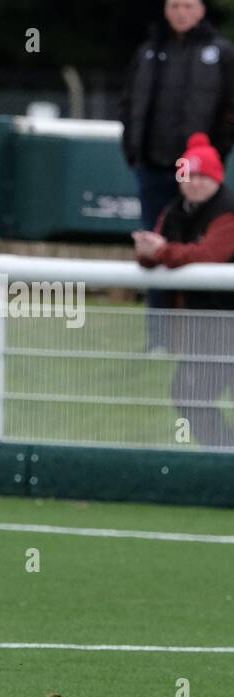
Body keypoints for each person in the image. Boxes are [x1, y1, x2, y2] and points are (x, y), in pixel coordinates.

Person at [122, 0, 234, 350]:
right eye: (174, 5)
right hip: (155, 165)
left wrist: (211, 160)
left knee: (204, 250)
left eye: (187, 5)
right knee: (155, 248)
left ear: (201, 10)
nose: (180, 12)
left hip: (198, 172)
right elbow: (130, 104)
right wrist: (133, 150)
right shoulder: (150, 51)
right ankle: (160, 338)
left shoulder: (220, 53)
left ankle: (211, 338)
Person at [133, 133, 234, 448]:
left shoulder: (228, 211)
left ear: (217, 178)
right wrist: (147, 252)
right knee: (188, 394)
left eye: (203, 176)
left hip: (225, 324)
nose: (195, 183)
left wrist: (160, 251)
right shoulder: (175, 211)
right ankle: (224, 454)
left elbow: (208, 257)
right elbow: (155, 253)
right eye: (189, 175)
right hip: (205, 328)